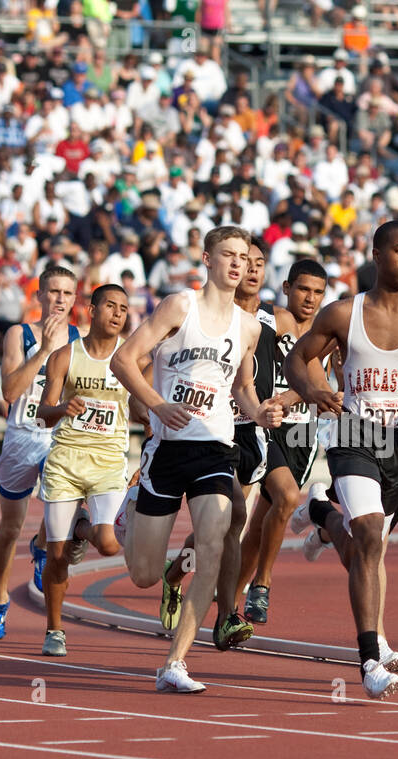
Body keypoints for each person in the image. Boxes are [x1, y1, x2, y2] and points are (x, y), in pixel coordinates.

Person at [285, 219, 398, 699]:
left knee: (369, 547)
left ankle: (321, 515)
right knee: (366, 532)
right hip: (352, 432)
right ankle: (369, 660)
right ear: (377, 255)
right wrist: (315, 390)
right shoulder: (344, 314)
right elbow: (296, 361)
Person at [112, 226, 284, 694]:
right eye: (227, 255)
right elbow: (124, 360)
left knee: (213, 543)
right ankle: (130, 513)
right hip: (166, 448)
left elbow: (242, 389)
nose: (237, 265)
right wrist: (155, 404)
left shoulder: (249, 327)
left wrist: (259, 412)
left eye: (245, 258)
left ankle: (176, 662)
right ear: (206, 259)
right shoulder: (178, 306)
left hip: (214, 448)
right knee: (145, 575)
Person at [156, 236, 287, 633]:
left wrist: (281, 402)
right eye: (240, 260)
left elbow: (294, 364)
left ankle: (197, 587)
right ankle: (218, 603)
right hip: (206, 432)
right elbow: (158, 358)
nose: (249, 269)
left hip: (249, 430)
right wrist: (156, 402)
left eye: (256, 262)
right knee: (232, 516)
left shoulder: (270, 322)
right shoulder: (192, 310)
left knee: (226, 522)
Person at [0, 265, 81, 641]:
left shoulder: (79, 338)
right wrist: (43, 351)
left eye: (67, 294)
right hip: (22, 435)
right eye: (53, 292)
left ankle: (42, 545)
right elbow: (10, 392)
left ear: (75, 300)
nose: (59, 299)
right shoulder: (18, 334)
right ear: (39, 296)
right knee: (9, 529)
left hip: (58, 436)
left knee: (67, 501)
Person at [34, 284, 131, 657]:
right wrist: (63, 409)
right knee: (57, 557)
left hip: (108, 462)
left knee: (108, 544)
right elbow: (42, 415)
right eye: (110, 305)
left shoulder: (131, 357)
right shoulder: (64, 356)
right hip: (66, 462)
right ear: (92, 310)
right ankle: (55, 630)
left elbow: (143, 407)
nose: (118, 313)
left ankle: (80, 528)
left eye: (123, 308)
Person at [236, 258, 329, 622]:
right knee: (240, 513)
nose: (310, 298)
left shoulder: (327, 333)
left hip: (301, 434)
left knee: (261, 523)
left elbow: (322, 386)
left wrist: (296, 397)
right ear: (287, 288)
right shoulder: (269, 320)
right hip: (261, 424)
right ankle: (262, 585)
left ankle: (228, 603)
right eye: (303, 289)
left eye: (318, 292)